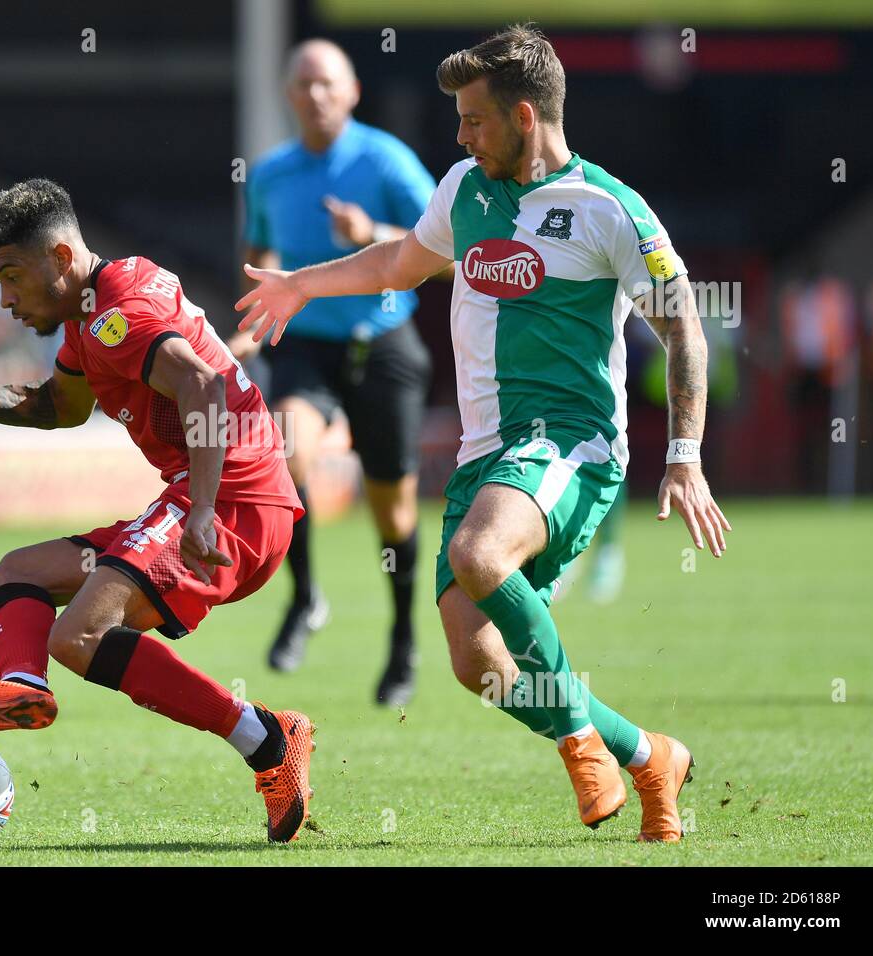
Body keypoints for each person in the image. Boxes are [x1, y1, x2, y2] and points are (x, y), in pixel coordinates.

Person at [236, 25, 732, 842]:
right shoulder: (465, 187)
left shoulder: (611, 210)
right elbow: (397, 264)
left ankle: (579, 744)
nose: (460, 135)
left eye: (474, 119)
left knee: (478, 558)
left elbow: (685, 329)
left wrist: (686, 456)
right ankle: (649, 755)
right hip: (485, 457)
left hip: (572, 441)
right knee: (479, 667)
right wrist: (300, 286)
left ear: (526, 116)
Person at [0, 179, 315, 842]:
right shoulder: (90, 320)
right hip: (205, 500)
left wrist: (203, 511)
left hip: (233, 504)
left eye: (11, 275)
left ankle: (266, 741)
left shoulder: (115, 314)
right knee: (13, 575)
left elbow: (202, 385)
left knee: (78, 637)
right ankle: (23, 687)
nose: (3, 298)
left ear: (61, 260)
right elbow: (56, 409)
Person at [229, 39, 441, 706]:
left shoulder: (386, 160)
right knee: (287, 463)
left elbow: (452, 248)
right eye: (302, 84)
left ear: (351, 92)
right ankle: (304, 599)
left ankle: (404, 642)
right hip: (305, 347)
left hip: (381, 342)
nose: (315, 95)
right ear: (288, 96)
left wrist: (370, 231)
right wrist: (247, 322)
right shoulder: (268, 174)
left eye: (327, 83)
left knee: (393, 512)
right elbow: (259, 248)